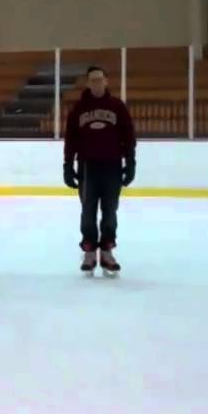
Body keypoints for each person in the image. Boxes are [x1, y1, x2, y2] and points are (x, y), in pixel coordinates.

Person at [63, 65, 136, 274]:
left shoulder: (117, 107)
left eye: (99, 79)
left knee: (110, 211)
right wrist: (68, 165)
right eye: (92, 80)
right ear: (87, 83)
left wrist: (130, 163)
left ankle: (107, 250)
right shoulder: (78, 109)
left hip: (112, 166)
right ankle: (88, 250)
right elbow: (71, 140)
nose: (96, 83)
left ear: (106, 81)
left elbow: (129, 137)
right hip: (87, 167)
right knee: (88, 211)